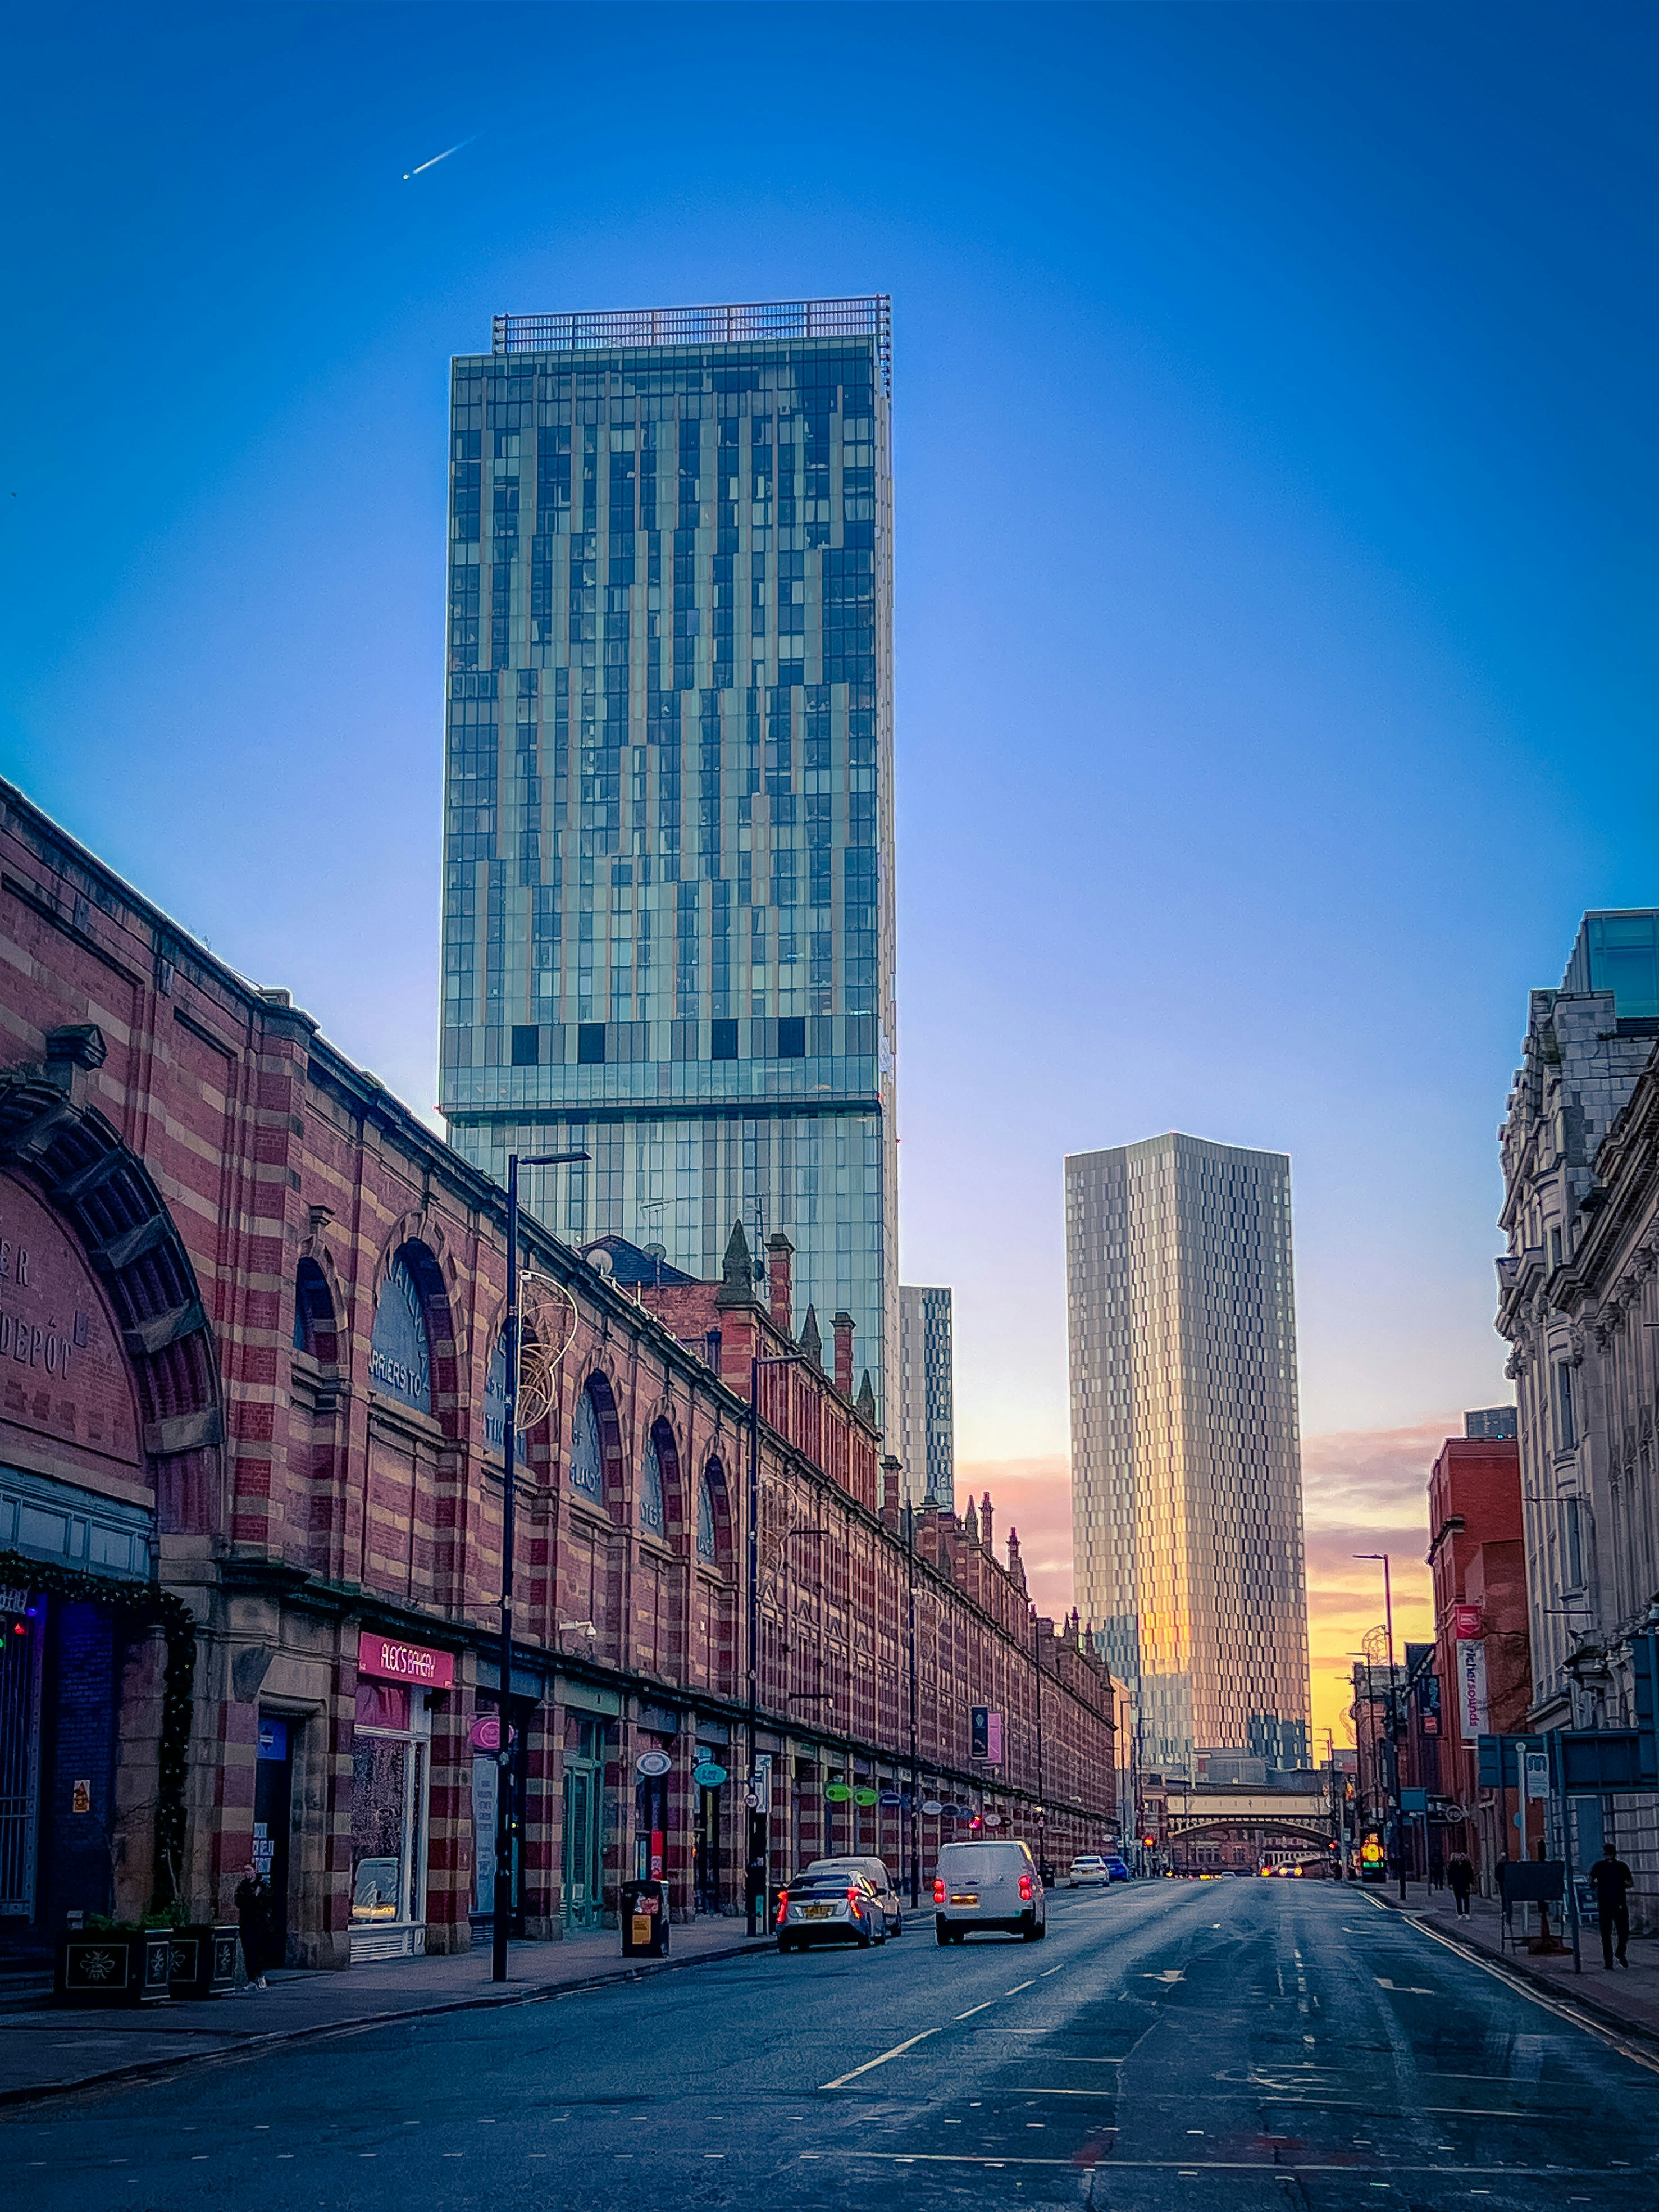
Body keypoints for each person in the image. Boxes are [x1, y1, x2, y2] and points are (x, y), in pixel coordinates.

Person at [1589, 1842, 1634, 1969]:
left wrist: (1599, 1886)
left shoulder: (1598, 1867)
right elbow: (1631, 1883)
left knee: (1606, 1935)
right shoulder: (1622, 1866)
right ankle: (1620, 1953)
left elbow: (1591, 1882)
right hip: (1620, 1903)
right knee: (1623, 1932)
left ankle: (1608, 1963)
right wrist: (1621, 1886)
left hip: (1605, 1905)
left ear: (1605, 1854)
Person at [234, 1860, 278, 1990]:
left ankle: (260, 1977)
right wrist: (252, 1898)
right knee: (248, 1951)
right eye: (245, 1870)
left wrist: (254, 1899)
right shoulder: (243, 1886)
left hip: (259, 1923)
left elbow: (267, 1902)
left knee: (258, 1951)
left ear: (255, 1871)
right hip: (246, 1922)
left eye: (249, 1870)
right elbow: (239, 1901)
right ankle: (251, 1979)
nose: (247, 1873)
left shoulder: (263, 1885)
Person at [1446, 1849, 1475, 1919]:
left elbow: (1471, 1874)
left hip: (1465, 1884)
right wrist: (1450, 1883)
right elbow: (1450, 1874)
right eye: (1456, 1855)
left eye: (1459, 1855)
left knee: (1466, 1899)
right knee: (1458, 1899)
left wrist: (1471, 1883)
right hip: (1456, 1884)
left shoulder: (1466, 1864)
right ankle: (1460, 1914)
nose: (1458, 1857)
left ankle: (1467, 1913)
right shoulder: (1453, 1865)